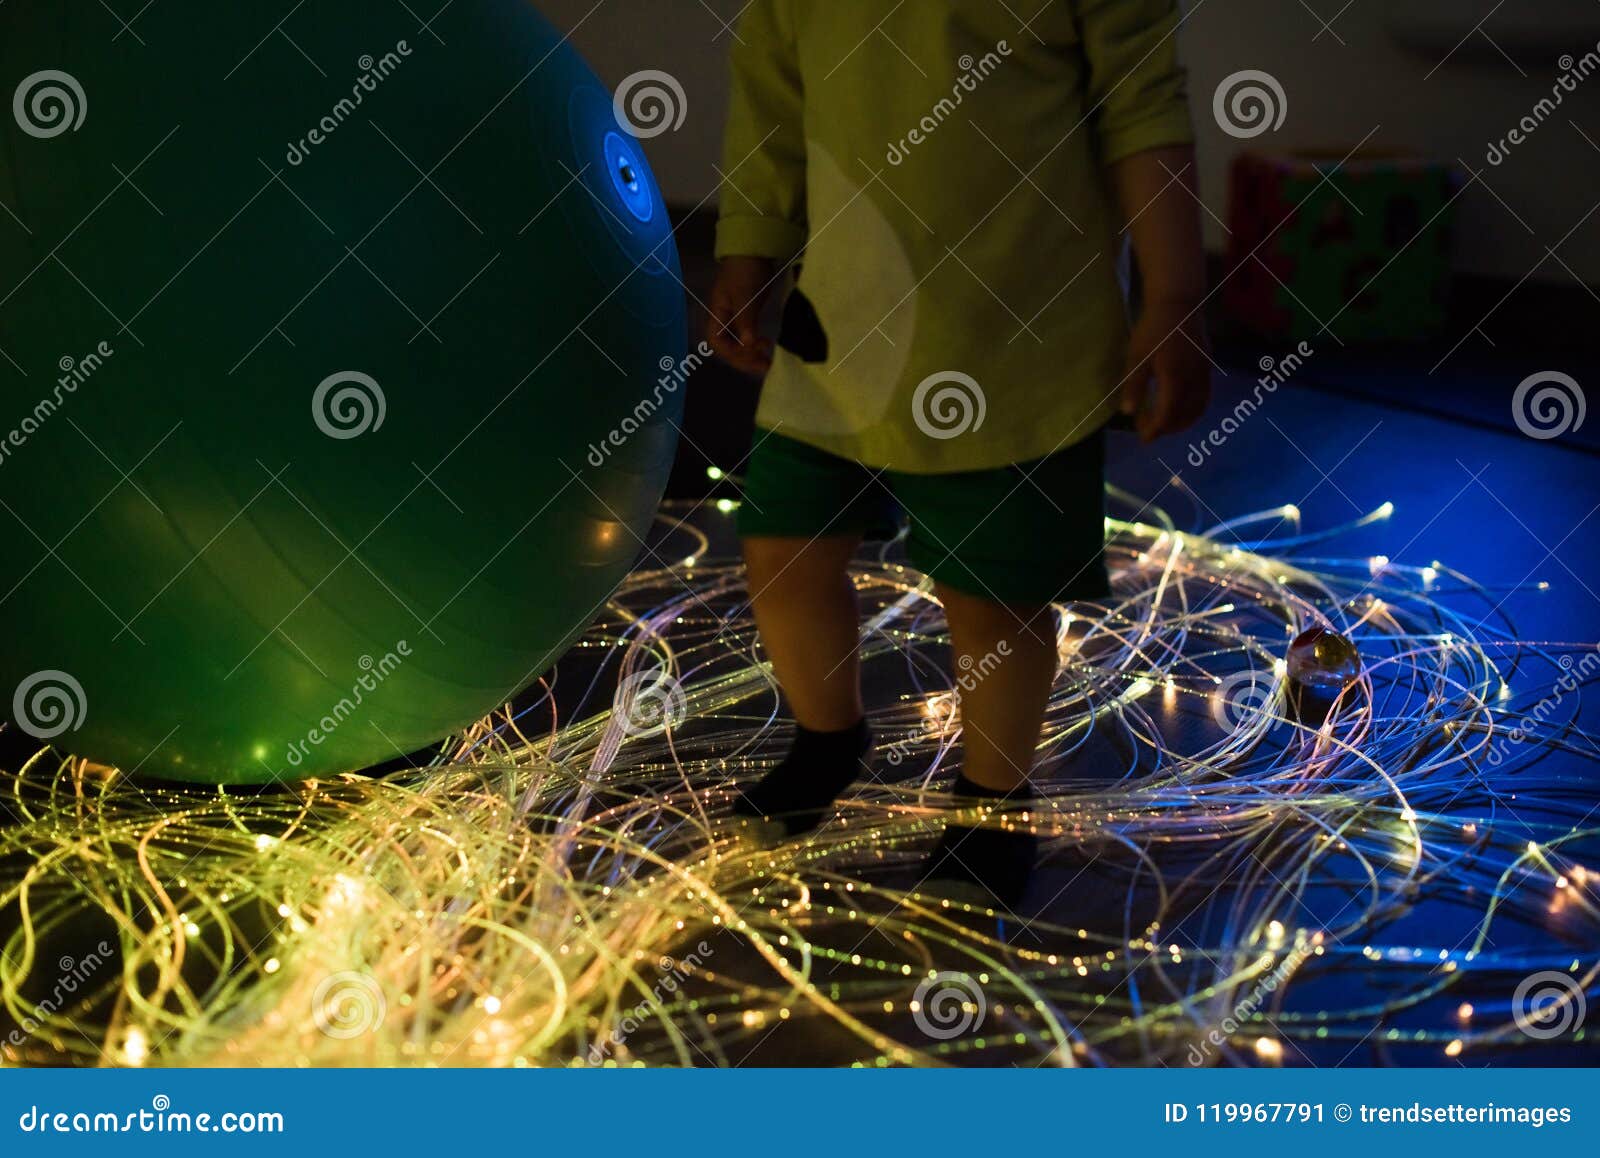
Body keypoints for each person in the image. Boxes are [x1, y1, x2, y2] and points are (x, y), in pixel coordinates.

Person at [707, 0, 1212, 908]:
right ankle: (827, 737)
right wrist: (749, 248)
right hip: (841, 329)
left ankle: (992, 800)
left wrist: (1173, 294)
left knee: (995, 599)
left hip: (1017, 335)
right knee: (781, 550)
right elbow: (772, 108)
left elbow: (1144, 108)